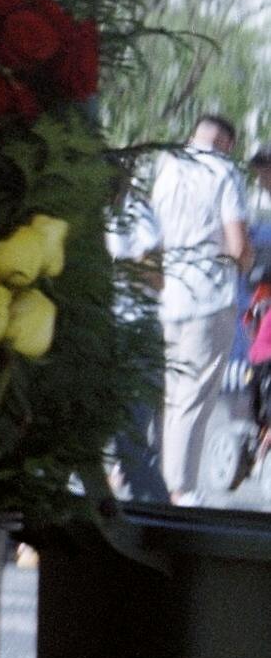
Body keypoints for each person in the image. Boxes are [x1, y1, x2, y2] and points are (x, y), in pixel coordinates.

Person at [123, 114, 252, 505]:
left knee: (168, 395)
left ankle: (152, 485)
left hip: (167, 296)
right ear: (227, 142)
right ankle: (179, 491)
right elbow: (237, 246)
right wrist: (248, 262)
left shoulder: (167, 167)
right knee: (192, 397)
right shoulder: (224, 172)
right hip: (208, 297)